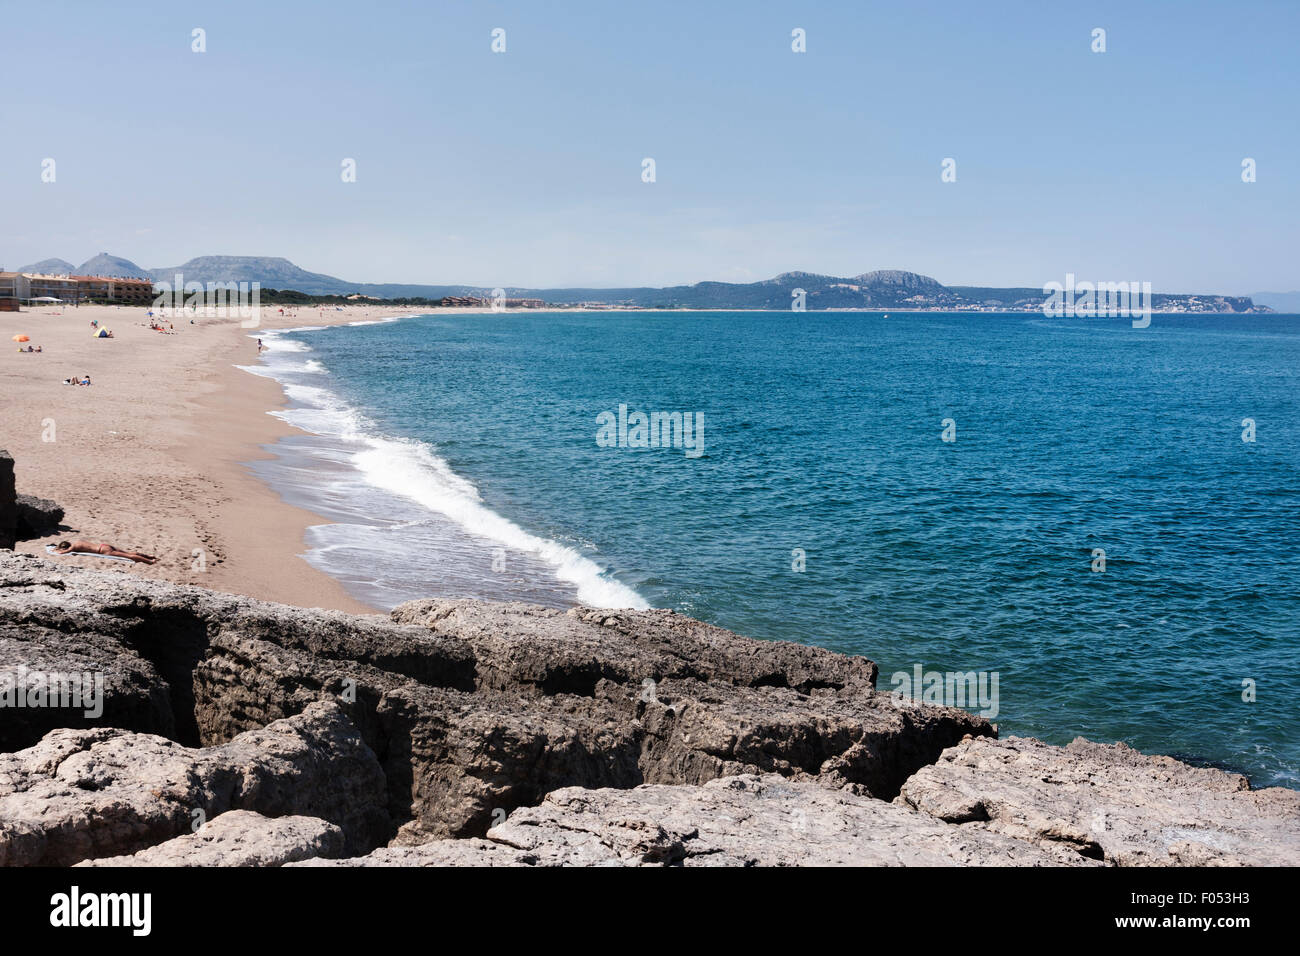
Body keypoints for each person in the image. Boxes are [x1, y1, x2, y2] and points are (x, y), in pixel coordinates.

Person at [52, 540, 157, 564]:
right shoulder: (78, 541)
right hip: (104, 545)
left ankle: (149, 562)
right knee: (128, 552)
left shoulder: (74, 547)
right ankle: (149, 556)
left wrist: (55, 550)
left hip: (102, 550)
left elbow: (63, 553)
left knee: (129, 556)